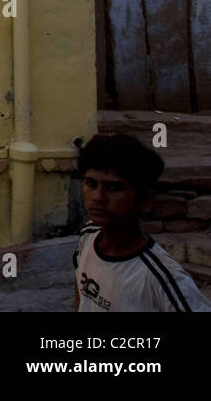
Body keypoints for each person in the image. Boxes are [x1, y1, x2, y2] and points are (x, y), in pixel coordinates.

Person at [74, 133, 210, 312]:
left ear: (145, 201)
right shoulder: (88, 235)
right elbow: (80, 295)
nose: (98, 197)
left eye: (114, 187)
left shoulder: (161, 276)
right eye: (91, 184)